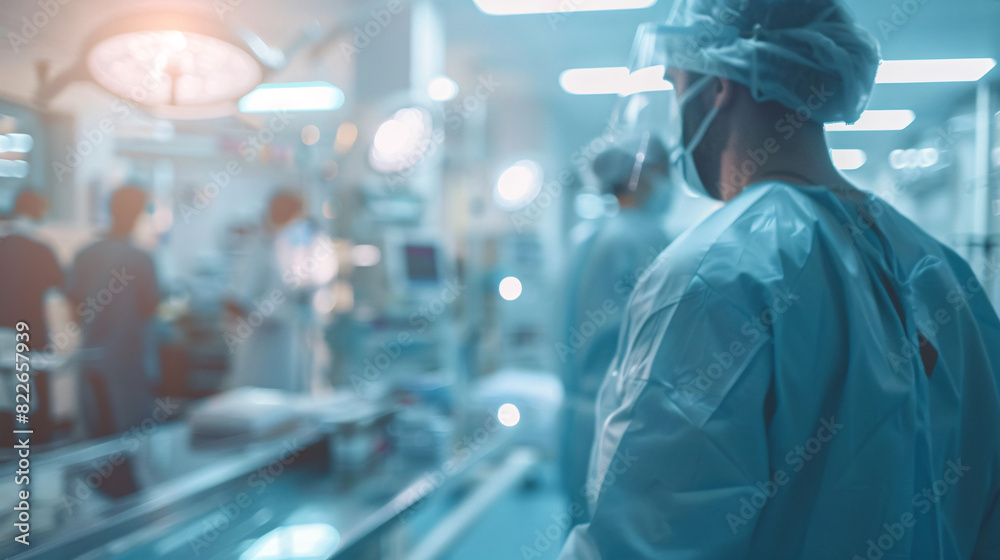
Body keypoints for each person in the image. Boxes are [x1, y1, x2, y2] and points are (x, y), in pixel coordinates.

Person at [559, 1, 1000, 558]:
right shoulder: (944, 272)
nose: (676, 115)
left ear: (718, 83)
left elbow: (645, 541)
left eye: (676, 85)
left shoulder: (713, 273)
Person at [558, 136, 674, 517]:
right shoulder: (645, 238)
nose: (668, 181)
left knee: (582, 532)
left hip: (577, 417)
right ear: (638, 177)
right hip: (622, 420)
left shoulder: (586, 238)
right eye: (663, 171)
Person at [68, 186, 161, 437]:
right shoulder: (140, 260)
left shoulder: (85, 255)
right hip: (127, 365)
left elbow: (74, 308)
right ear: (137, 214)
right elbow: (150, 306)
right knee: (127, 439)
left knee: (95, 434)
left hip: (91, 361)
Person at [225, 190, 335, 393]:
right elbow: (235, 303)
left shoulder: (296, 244)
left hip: (293, 343)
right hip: (262, 346)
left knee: (293, 403)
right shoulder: (259, 247)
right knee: (260, 404)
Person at [0, 190, 64, 444]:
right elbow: (59, 287)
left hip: (1, 334)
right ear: (38, 211)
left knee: (5, 403)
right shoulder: (41, 251)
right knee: (35, 409)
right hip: (31, 335)